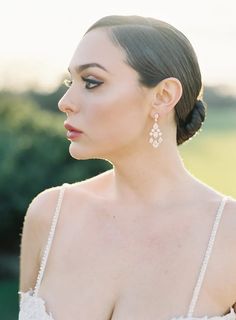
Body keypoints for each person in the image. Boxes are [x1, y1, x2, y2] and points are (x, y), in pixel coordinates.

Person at [18, 15, 236, 320]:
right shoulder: (49, 215)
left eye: (91, 82)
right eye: (71, 82)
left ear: (162, 96)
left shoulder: (228, 233)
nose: (65, 102)